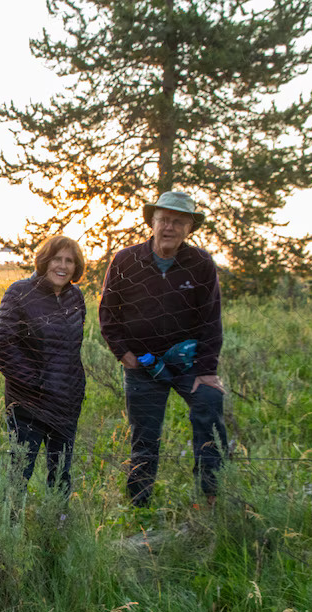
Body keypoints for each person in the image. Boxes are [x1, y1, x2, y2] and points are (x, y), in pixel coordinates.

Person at [99, 190, 228, 507]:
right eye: (164, 219)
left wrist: (207, 370)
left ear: (189, 228)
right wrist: (123, 353)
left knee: (210, 403)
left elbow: (211, 318)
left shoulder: (200, 263)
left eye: (178, 222)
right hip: (142, 364)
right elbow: (108, 311)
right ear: (152, 222)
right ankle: (139, 506)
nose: (169, 227)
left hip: (189, 363)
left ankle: (211, 495)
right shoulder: (126, 260)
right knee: (144, 436)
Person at [0, 235, 86, 498]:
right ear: (45, 260)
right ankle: (11, 521)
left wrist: (74, 386)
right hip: (28, 405)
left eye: (69, 261)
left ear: (76, 267)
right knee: (19, 474)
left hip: (66, 403)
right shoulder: (19, 292)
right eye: (57, 259)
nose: (63, 266)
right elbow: (4, 349)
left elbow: (72, 350)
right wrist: (39, 385)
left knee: (61, 476)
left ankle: (56, 521)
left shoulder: (75, 297)